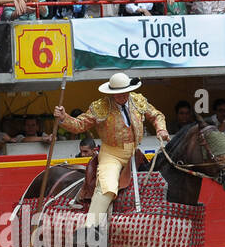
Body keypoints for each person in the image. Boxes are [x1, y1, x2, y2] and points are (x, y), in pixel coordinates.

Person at [53, 72, 168, 237]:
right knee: (107, 187)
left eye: (124, 92)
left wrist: (161, 128)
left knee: (157, 180)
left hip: (134, 153)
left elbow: (156, 115)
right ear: (111, 93)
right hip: (111, 154)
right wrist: (64, 118)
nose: (122, 96)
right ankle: (89, 228)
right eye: (117, 93)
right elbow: (79, 125)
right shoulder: (100, 107)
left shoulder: (137, 100)